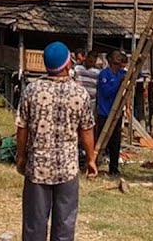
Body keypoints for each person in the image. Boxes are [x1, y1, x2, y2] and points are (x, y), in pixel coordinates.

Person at [15, 41, 97, 241]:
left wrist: (21, 156)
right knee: (65, 224)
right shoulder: (80, 93)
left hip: (38, 168)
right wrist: (91, 159)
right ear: (68, 64)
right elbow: (86, 131)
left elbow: (22, 128)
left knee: (34, 224)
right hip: (67, 169)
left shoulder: (32, 90)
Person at [96, 50, 129, 177]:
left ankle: (114, 168)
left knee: (116, 141)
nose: (119, 58)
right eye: (116, 56)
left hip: (117, 113)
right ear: (110, 60)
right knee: (101, 141)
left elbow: (137, 75)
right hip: (105, 113)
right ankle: (94, 165)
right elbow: (106, 92)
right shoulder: (104, 74)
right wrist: (119, 84)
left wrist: (135, 64)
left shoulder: (122, 73)